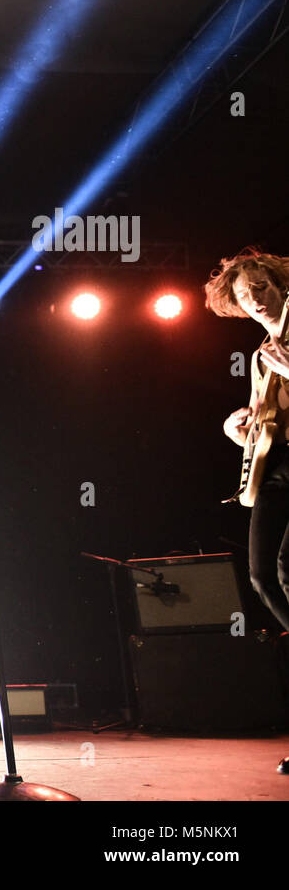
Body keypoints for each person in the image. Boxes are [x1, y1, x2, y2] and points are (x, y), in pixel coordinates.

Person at [204, 245, 289, 774]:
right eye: (243, 295)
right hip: (278, 472)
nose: (254, 299)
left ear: (279, 283)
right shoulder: (262, 353)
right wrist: (237, 429)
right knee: (262, 575)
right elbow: (265, 421)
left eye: (260, 287)